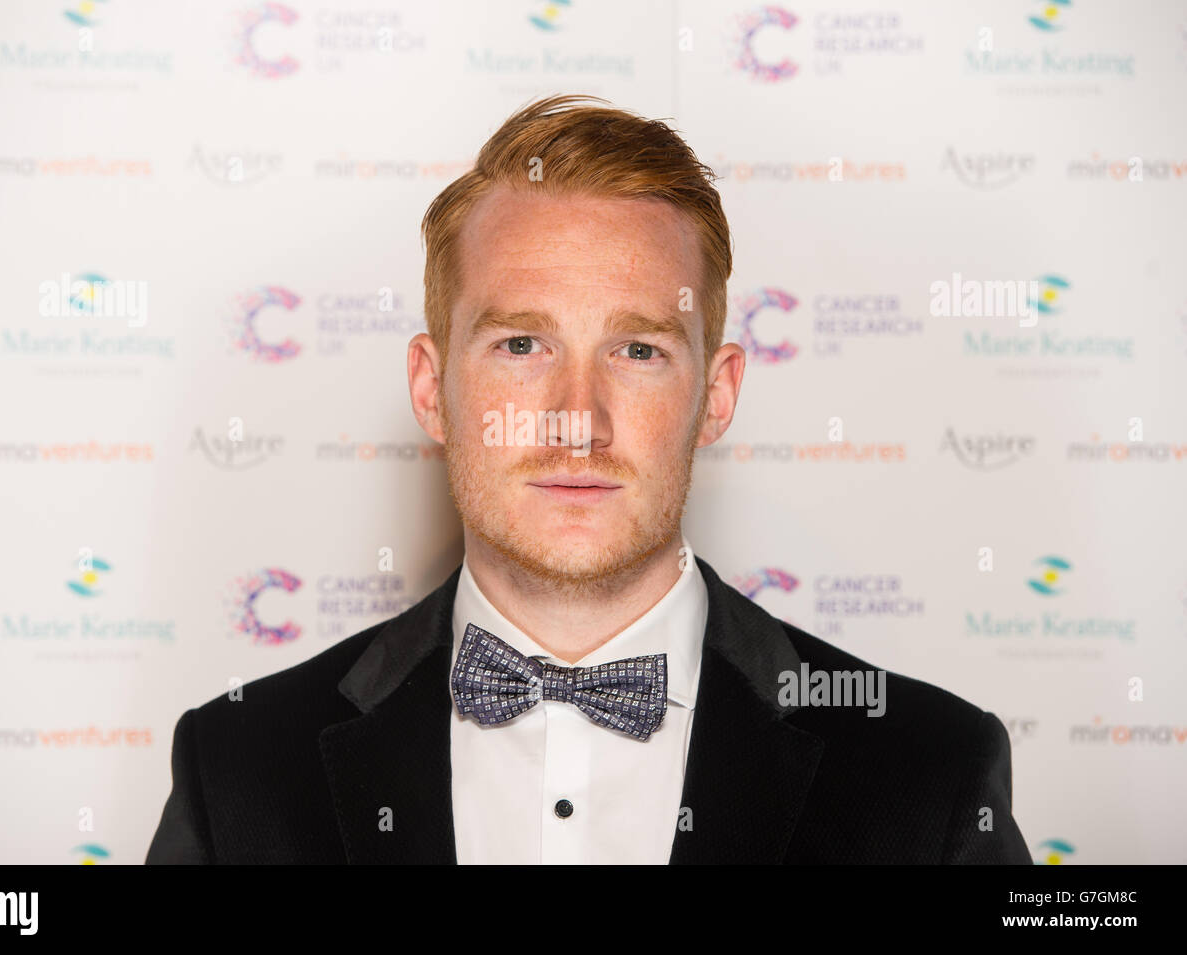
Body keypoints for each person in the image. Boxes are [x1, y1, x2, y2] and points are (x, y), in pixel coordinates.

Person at [146, 94, 1031, 864]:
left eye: (639, 350)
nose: (578, 417)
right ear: (432, 388)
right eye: (522, 344)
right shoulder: (240, 769)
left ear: (716, 396)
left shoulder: (929, 774)